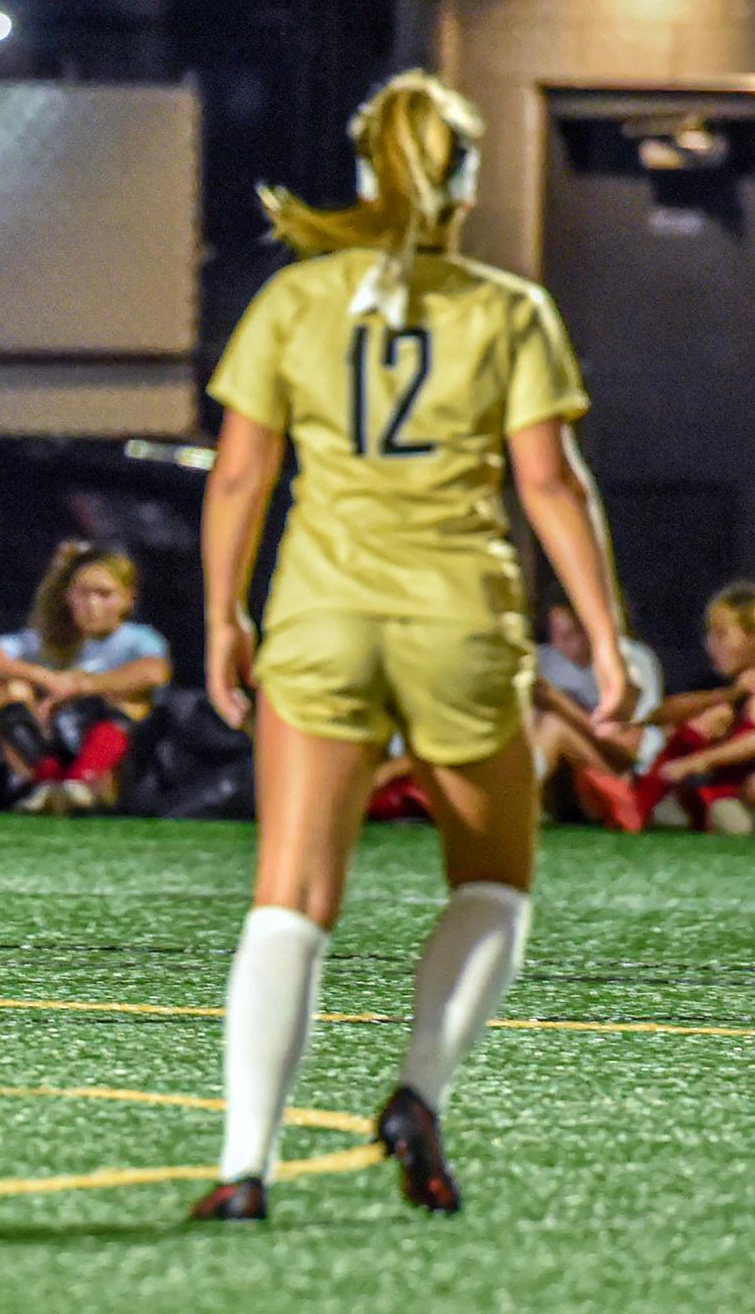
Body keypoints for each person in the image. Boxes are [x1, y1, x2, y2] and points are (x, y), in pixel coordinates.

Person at [190, 71, 634, 1223]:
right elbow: (547, 481)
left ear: (360, 172)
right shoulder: (505, 307)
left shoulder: (296, 298)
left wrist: (220, 617)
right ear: (466, 183)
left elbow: (240, 472)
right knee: (491, 884)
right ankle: (416, 1092)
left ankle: (243, 1171)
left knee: (288, 895)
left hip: (320, 613)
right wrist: (601, 635)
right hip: (457, 621)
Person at [0, 542, 171, 812]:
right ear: (68, 597)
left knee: (130, 697)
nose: (92, 605)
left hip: (116, 757)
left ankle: (81, 783)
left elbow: (154, 673)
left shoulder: (138, 640)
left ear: (127, 599)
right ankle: (45, 783)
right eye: (83, 594)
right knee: (6, 684)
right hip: (57, 741)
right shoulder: (53, 642)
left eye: (104, 595)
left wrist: (80, 686)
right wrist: (46, 679)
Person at [628, 582, 755, 835]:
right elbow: (657, 715)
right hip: (712, 795)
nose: (710, 644)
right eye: (709, 634)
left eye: (721, 634)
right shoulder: (721, 689)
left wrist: (701, 760)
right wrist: (726, 696)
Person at [528, 595, 663, 828]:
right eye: (558, 635)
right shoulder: (544, 660)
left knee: (554, 726)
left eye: (572, 634)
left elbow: (632, 748)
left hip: (619, 773)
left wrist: (559, 702)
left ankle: (511, 796)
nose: (565, 644)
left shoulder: (629, 661)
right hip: (562, 780)